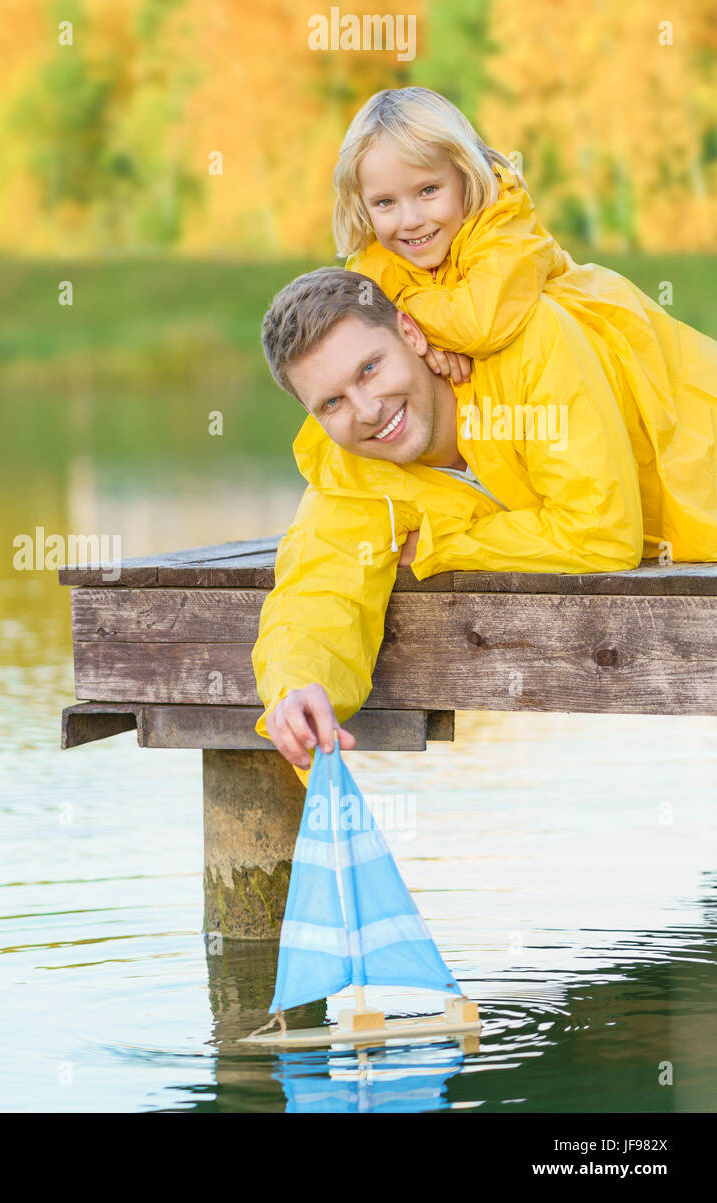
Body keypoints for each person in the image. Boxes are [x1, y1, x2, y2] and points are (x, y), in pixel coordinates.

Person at [254, 267, 660, 780]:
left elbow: (601, 531)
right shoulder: (352, 477)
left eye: (370, 369)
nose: (368, 410)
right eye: (332, 403)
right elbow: (318, 591)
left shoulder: (527, 349)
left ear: (410, 333)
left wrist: (445, 545)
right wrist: (296, 689)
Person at [334, 86, 717, 562]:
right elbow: (358, 315)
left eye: (428, 191)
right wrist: (414, 331)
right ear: (361, 205)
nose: (410, 220)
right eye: (384, 203)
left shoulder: (504, 227)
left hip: (642, 374)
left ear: (465, 176)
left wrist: (409, 315)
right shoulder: (376, 265)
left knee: (692, 475)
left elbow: (481, 322)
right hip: (571, 420)